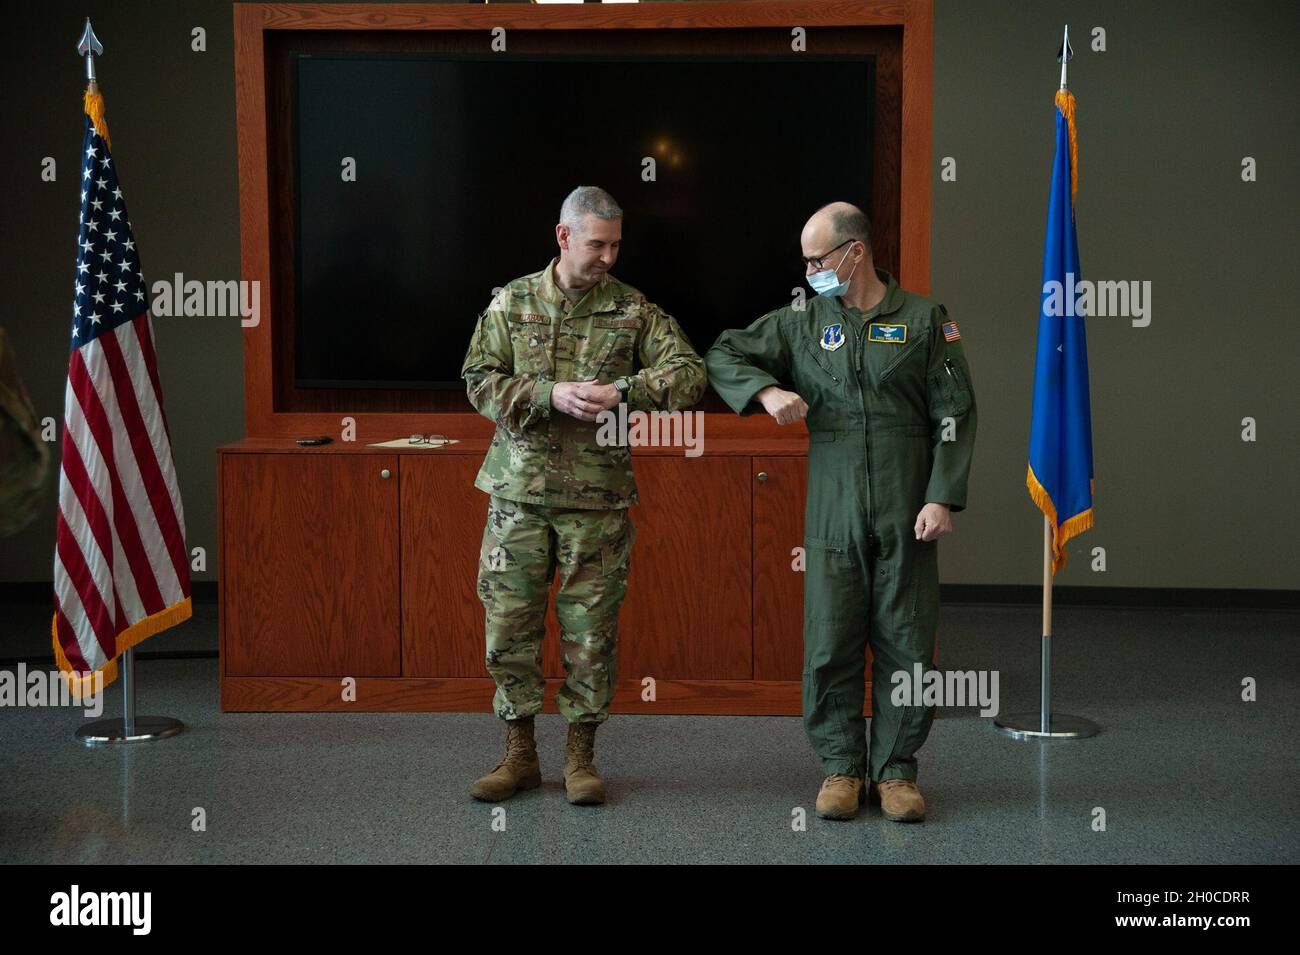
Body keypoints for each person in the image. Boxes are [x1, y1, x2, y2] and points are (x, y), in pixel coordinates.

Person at [704, 202, 976, 822]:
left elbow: (956, 412)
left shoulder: (924, 319)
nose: (810, 270)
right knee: (830, 635)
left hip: (907, 497)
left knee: (907, 636)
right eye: (805, 260)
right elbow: (722, 354)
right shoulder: (801, 320)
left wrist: (941, 493)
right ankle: (840, 767)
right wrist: (768, 391)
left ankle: (898, 771)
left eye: (818, 259)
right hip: (833, 497)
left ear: (856, 251)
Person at [461, 186, 707, 805]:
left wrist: (624, 392)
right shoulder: (510, 302)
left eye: (616, 245)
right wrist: (548, 396)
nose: (608, 257)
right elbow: (478, 380)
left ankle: (580, 759)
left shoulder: (632, 310)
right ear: (564, 237)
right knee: (507, 629)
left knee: (590, 634)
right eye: (597, 244)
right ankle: (518, 756)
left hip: (596, 504)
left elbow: (689, 376)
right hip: (517, 499)